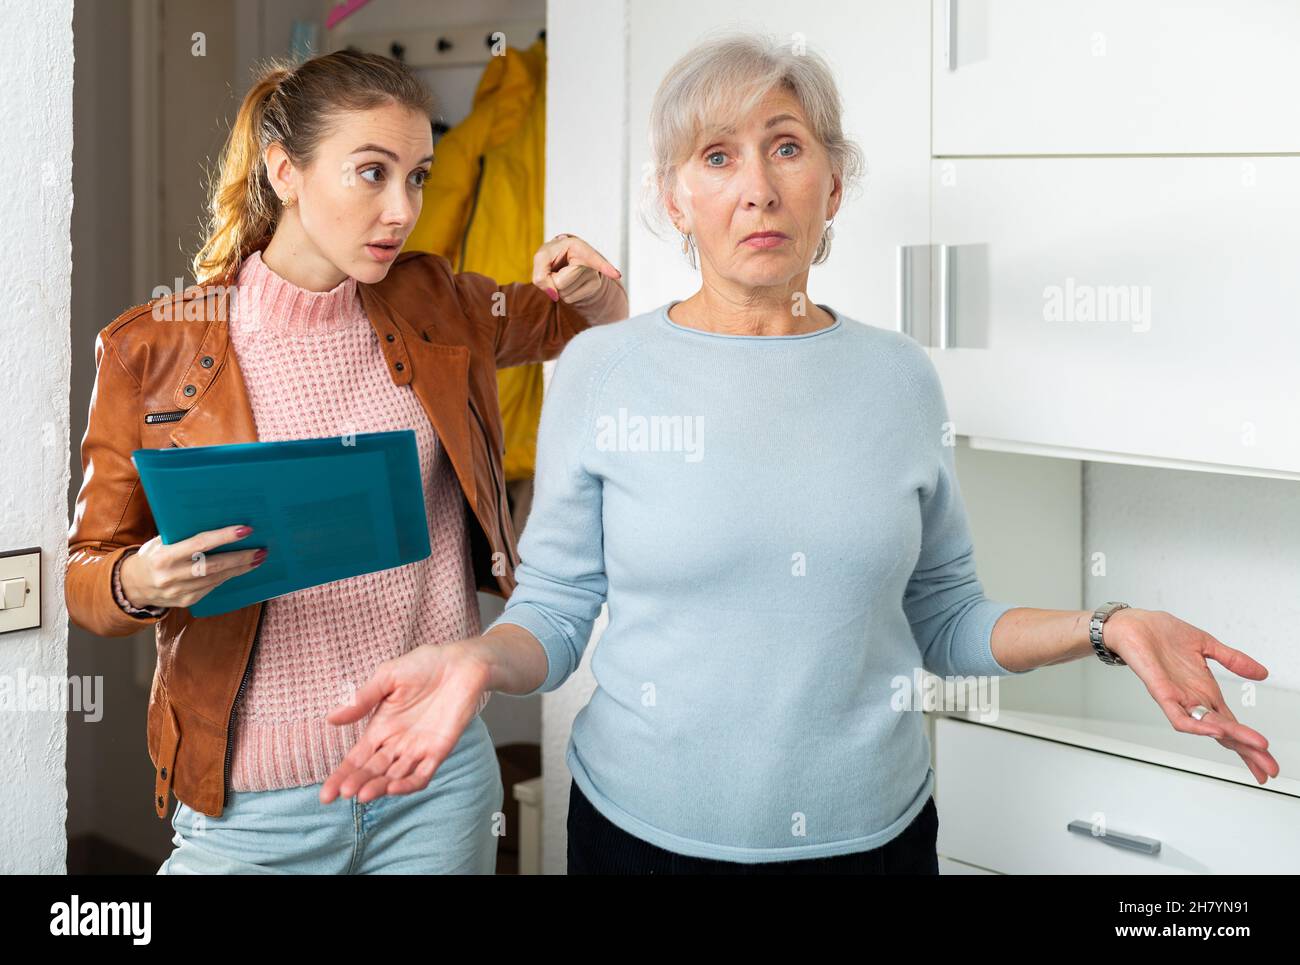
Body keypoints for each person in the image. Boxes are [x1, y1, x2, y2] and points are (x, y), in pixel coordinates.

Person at [317, 32, 1277, 874]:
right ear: (675, 198)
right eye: (718, 156)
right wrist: (480, 657)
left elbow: (945, 618)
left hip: (873, 844)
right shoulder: (605, 368)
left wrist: (1106, 624)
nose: (758, 189)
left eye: (787, 147)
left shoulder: (900, 377)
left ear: (834, 183)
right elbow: (559, 613)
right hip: (642, 841)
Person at [64, 48, 627, 874]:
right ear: (285, 171)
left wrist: (594, 283)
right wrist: (141, 583)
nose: (402, 208)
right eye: (372, 173)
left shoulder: (439, 302)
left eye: (418, 176)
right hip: (251, 808)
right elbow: (88, 574)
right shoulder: (153, 346)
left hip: (434, 780)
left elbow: (586, 333)